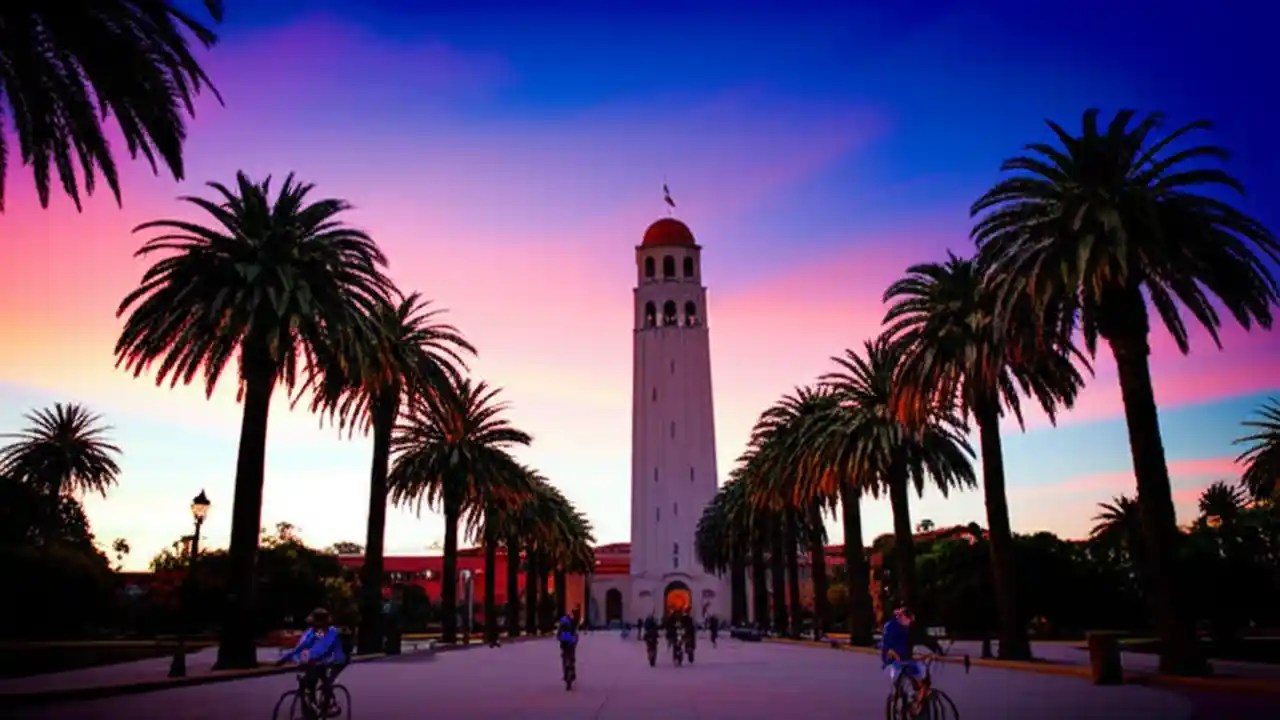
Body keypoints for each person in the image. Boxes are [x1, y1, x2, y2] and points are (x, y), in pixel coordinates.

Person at [277, 608, 347, 710]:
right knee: (310, 681)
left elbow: (322, 648)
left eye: (317, 624)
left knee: (326, 682)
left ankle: (328, 704)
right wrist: (286, 658)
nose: (313, 627)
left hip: (336, 661)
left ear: (324, 623)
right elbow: (305, 644)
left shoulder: (331, 633)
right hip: (319, 661)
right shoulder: (319, 632)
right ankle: (312, 706)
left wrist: (310, 658)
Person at [881, 606, 941, 715]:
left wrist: (936, 650)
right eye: (909, 620)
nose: (910, 623)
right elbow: (887, 643)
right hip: (896, 662)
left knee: (922, 676)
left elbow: (924, 638)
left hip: (909, 659)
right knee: (901, 679)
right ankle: (903, 699)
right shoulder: (891, 627)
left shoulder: (910, 627)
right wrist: (891, 652)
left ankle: (918, 700)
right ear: (902, 617)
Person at [557, 607, 580, 684]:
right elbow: (575, 633)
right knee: (571, 657)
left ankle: (566, 673)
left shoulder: (563, 622)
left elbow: (559, 633)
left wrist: (559, 637)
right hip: (570, 641)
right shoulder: (572, 622)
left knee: (564, 656)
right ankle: (572, 672)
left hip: (564, 642)